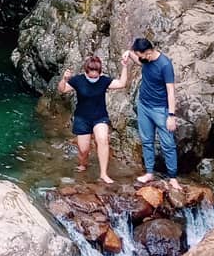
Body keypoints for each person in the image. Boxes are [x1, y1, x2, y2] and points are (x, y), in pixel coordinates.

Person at [58, 53, 129, 184]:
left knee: (102, 140)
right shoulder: (78, 80)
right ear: (86, 70)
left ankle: (103, 174)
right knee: (83, 150)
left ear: (100, 71)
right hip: (82, 118)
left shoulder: (103, 80)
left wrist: (124, 66)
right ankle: (83, 165)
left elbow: (122, 84)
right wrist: (65, 79)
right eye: (91, 73)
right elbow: (62, 90)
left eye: (96, 72)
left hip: (99, 117)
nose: (94, 75)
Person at [125, 37, 182, 191]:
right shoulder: (145, 60)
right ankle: (149, 173)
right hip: (143, 105)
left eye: (141, 55)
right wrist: (128, 54)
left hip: (160, 110)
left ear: (148, 52)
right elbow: (138, 60)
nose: (140, 58)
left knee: (168, 144)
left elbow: (171, 91)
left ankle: (173, 178)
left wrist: (171, 115)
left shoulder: (165, 65)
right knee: (146, 140)